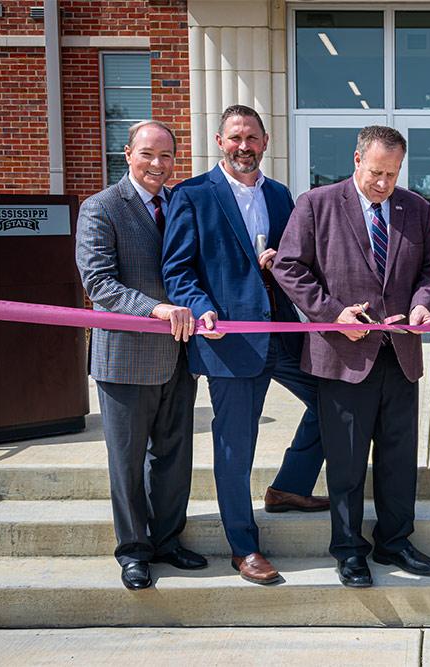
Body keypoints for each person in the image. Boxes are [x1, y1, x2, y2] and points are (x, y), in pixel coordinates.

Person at [162, 105, 330, 586]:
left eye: (252, 138)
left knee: (332, 402)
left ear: (266, 141)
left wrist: (280, 264)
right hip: (228, 341)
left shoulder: (280, 196)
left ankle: (289, 488)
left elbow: (301, 260)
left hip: (280, 331)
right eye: (235, 137)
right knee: (236, 446)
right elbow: (178, 269)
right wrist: (198, 306)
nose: (244, 146)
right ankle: (243, 546)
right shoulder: (192, 195)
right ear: (219, 141)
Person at [272, 125, 430, 588]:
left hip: (400, 354)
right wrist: (331, 313)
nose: (384, 183)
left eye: (392, 173)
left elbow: (429, 271)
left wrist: (425, 302)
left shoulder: (417, 208)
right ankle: (348, 548)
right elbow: (288, 266)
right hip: (343, 357)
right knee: (345, 462)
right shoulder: (317, 204)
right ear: (356, 160)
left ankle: (395, 540)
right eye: (375, 172)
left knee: (398, 458)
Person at [76, 120, 206, 590]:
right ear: (127, 154)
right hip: (126, 358)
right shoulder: (101, 208)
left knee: (173, 457)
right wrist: (155, 307)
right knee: (128, 462)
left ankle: (168, 540)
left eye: (167, 156)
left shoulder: (181, 204)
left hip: (179, 356)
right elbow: (98, 284)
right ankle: (134, 550)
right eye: (148, 154)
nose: (158, 164)